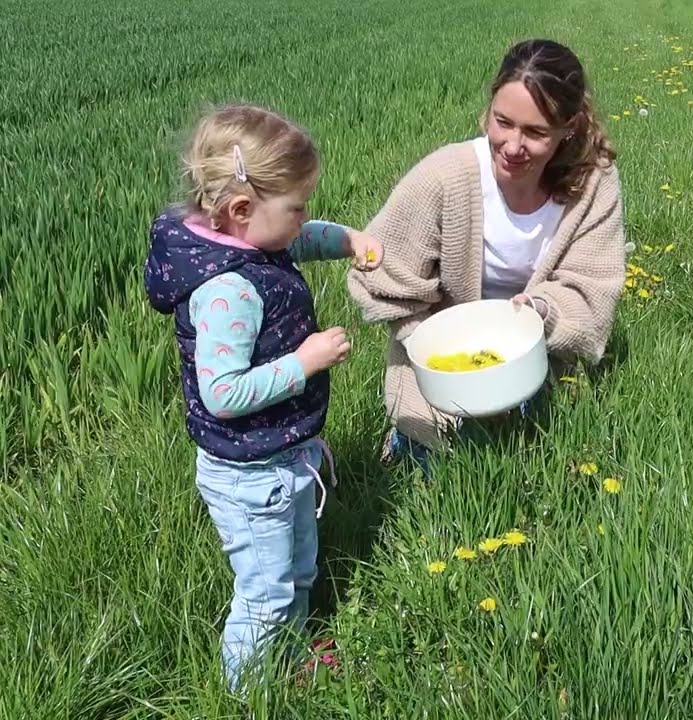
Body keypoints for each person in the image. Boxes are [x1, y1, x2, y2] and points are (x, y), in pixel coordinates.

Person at [142, 104, 382, 691]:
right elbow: (221, 393)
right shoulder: (229, 290)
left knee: (296, 569)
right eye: (297, 207)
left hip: (277, 457)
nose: (304, 220)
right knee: (265, 594)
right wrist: (303, 363)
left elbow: (297, 242)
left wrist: (347, 239)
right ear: (243, 210)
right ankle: (247, 694)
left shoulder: (244, 240)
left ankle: (289, 657)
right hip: (250, 476)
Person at [347, 39, 626, 467]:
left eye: (535, 133)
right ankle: (412, 436)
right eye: (503, 122)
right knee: (435, 463)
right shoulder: (445, 176)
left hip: (539, 355)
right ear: (489, 107)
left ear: (568, 127)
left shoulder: (593, 185)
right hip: (445, 361)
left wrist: (541, 311)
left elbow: (592, 291)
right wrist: (432, 342)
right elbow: (380, 270)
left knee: (537, 455)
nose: (513, 146)